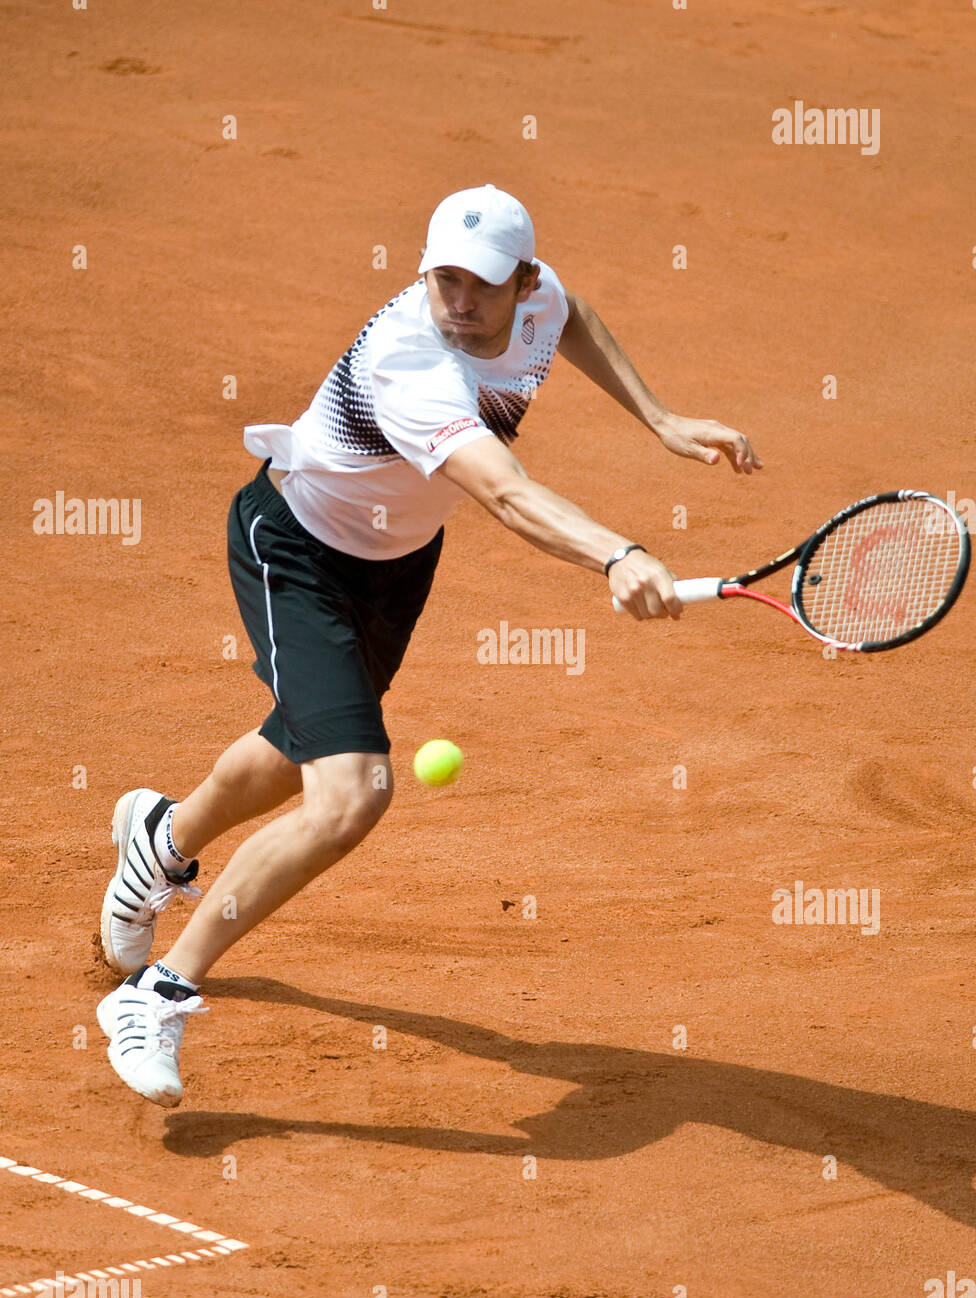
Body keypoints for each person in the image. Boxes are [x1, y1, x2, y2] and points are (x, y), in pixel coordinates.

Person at [96, 184, 763, 1107]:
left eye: (484, 284)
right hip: (296, 551)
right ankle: (157, 993)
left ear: (521, 280)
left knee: (297, 753)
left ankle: (160, 839)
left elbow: (571, 315)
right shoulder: (411, 361)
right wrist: (618, 553)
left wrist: (659, 416)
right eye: (444, 279)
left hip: (395, 562)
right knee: (351, 794)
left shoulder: (535, 298)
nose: (461, 301)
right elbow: (506, 494)